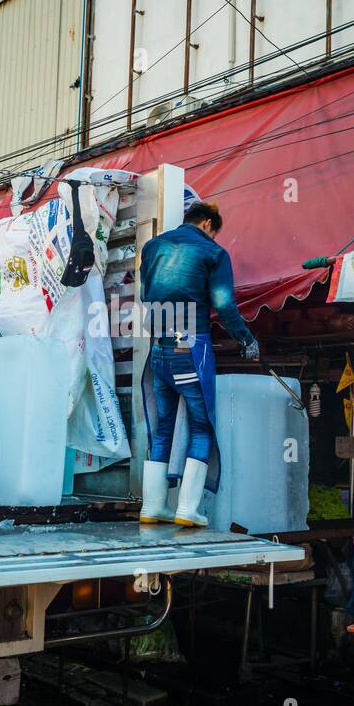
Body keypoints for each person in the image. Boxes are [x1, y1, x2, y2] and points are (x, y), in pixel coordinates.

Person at [137, 200, 258, 527]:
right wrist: (247, 340)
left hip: (159, 348)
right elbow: (224, 303)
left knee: (162, 429)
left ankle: (153, 506)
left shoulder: (151, 247)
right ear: (208, 224)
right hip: (191, 345)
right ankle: (187, 509)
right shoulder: (213, 252)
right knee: (201, 426)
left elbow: (145, 296)